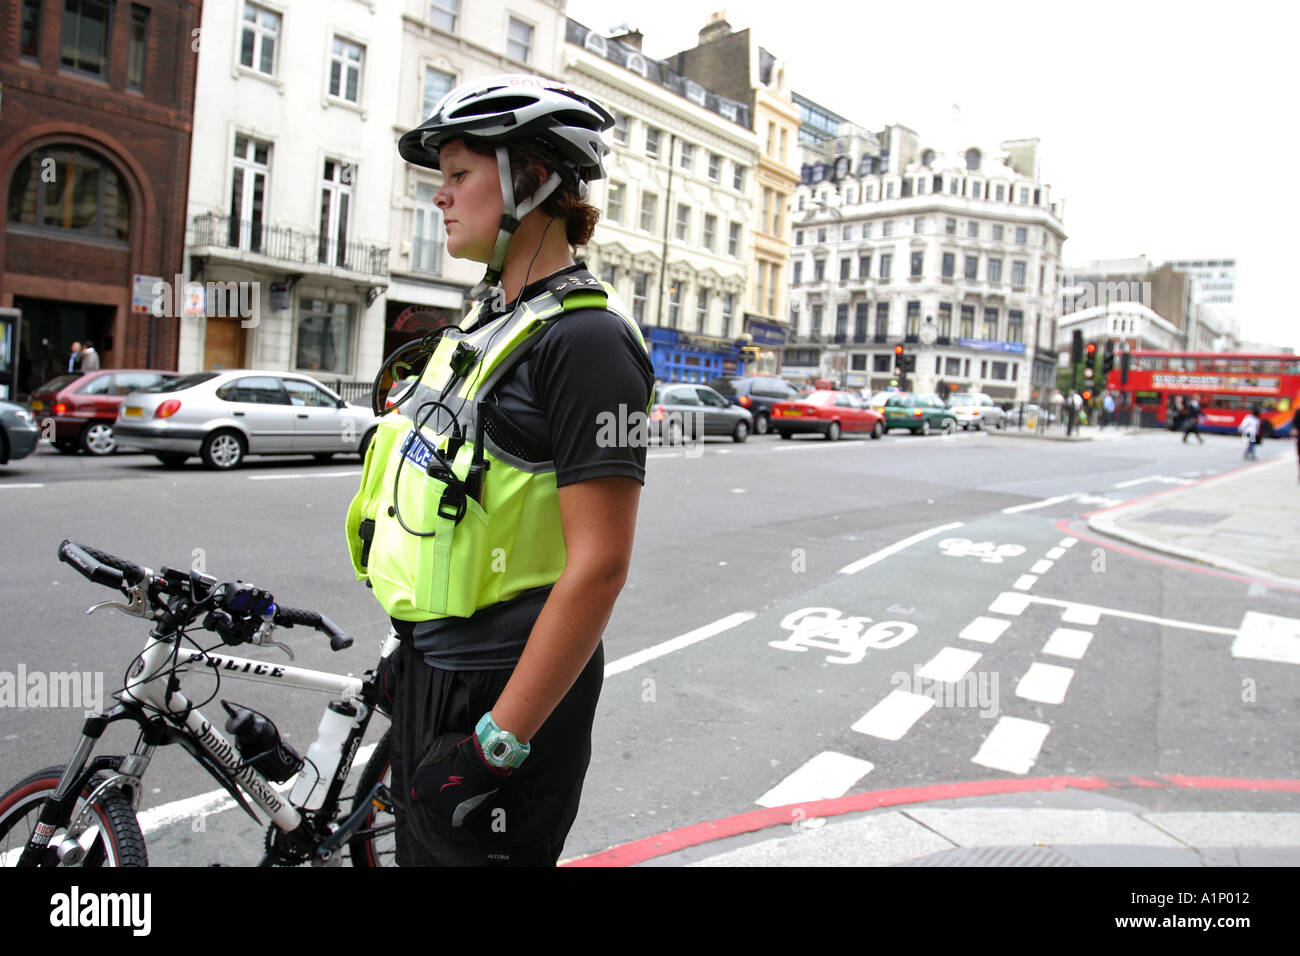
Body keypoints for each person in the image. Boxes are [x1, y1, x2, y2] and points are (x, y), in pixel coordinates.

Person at [349, 74, 654, 866]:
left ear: (532, 178)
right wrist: (410, 647)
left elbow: (600, 567)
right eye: (440, 178)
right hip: (435, 668)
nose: (440, 196)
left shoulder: (588, 344)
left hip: (502, 695)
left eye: (458, 174)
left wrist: (493, 749)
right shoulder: (488, 325)